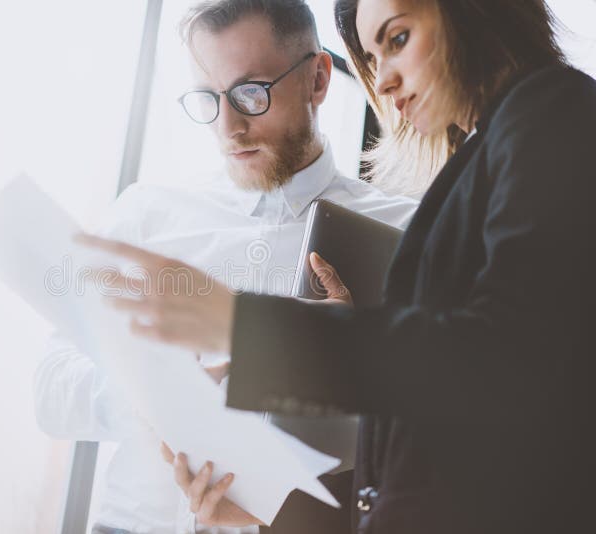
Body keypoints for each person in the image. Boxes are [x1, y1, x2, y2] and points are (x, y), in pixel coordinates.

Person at [76, 0, 596, 533]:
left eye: (397, 39)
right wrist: (281, 506)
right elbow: (443, 411)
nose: (384, 82)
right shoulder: (482, 157)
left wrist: (245, 327)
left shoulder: (548, 114)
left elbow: (498, 364)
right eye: (371, 56)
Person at [35, 1, 418, 533]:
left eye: (250, 94)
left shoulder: (409, 235)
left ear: (318, 78)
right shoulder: (148, 215)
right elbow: (51, 389)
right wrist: (158, 395)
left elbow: (435, 432)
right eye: (207, 99)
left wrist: (343, 350)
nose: (229, 127)